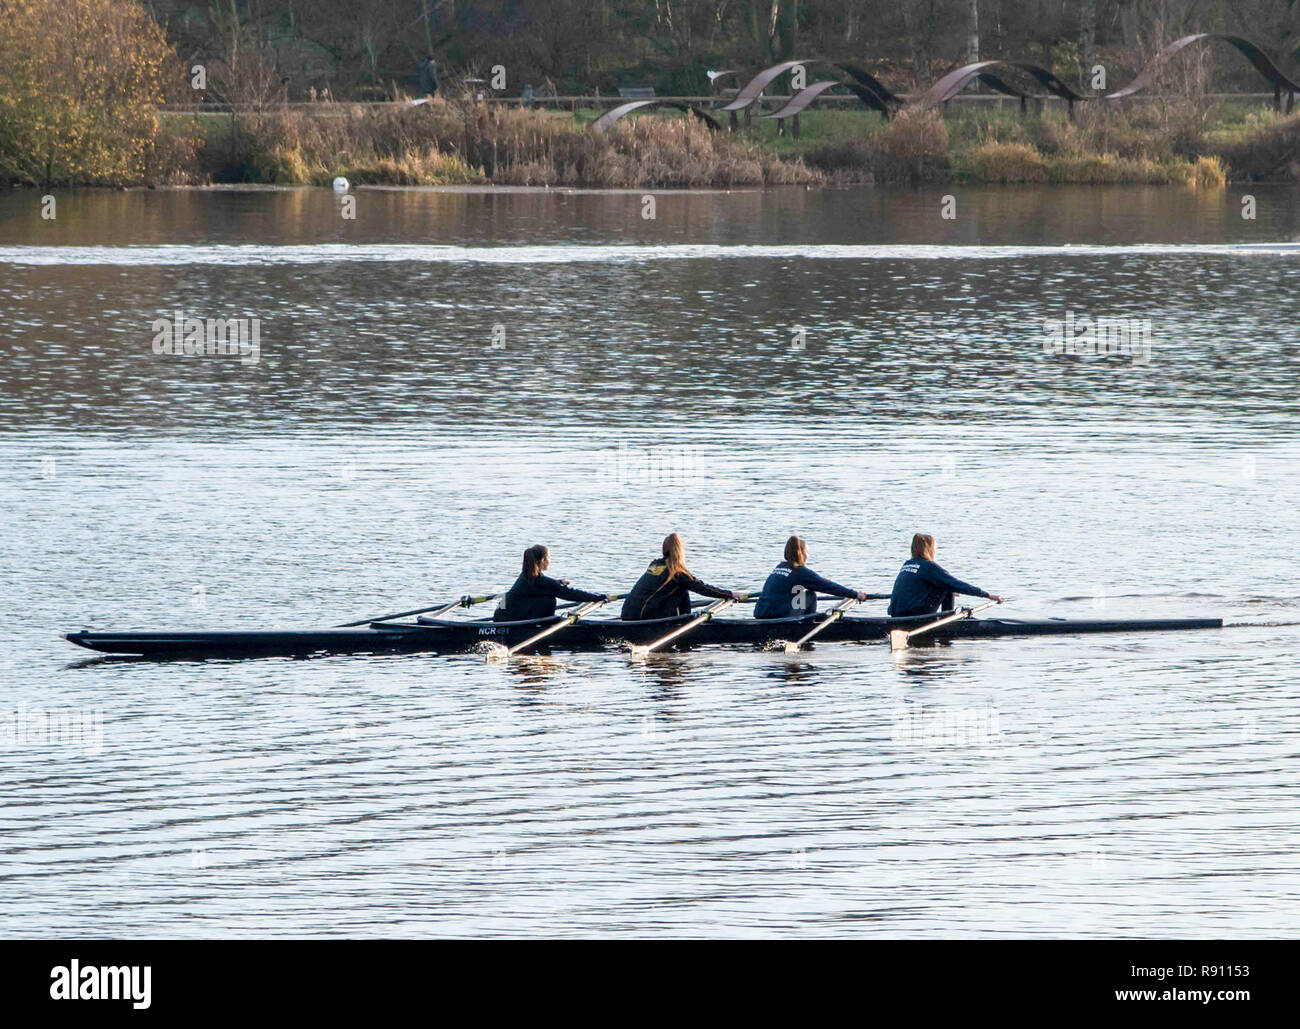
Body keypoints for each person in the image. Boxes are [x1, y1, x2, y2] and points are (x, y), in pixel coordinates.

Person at [621, 532, 741, 621]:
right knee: (682, 590)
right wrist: (729, 594)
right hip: (643, 618)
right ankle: (685, 622)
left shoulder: (654, 564)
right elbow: (702, 588)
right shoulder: (677, 573)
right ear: (680, 551)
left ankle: (684, 619)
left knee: (678, 588)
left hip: (626, 613)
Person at [888, 533, 1003, 618]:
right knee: (947, 586)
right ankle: (947, 620)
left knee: (944, 586)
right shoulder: (928, 566)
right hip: (913, 616)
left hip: (896, 614)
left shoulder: (907, 564)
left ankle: (945, 617)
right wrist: (987, 595)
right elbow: (956, 584)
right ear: (929, 550)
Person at [754, 536, 869, 619]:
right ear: (801, 554)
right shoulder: (800, 572)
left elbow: (817, 583)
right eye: (807, 552)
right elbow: (829, 587)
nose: (808, 556)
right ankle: (807, 625)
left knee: (803, 592)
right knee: (810, 594)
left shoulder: (779, 567)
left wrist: (818, 582)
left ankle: (803, 621)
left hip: (760, 613)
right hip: (778, 617)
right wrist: (855, 594)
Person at [493, 545, 610, 622]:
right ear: (543, 560)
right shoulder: (540, 581)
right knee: (549, 598)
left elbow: (545, 586)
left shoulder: (526, 576)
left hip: (501, 616)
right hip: (507, 621)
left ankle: (545, 622)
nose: (550, 561)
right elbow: (571, 594)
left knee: (548, 596)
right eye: (549, 557)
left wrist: (557, 583)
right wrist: (600, 597)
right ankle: (545, 624)